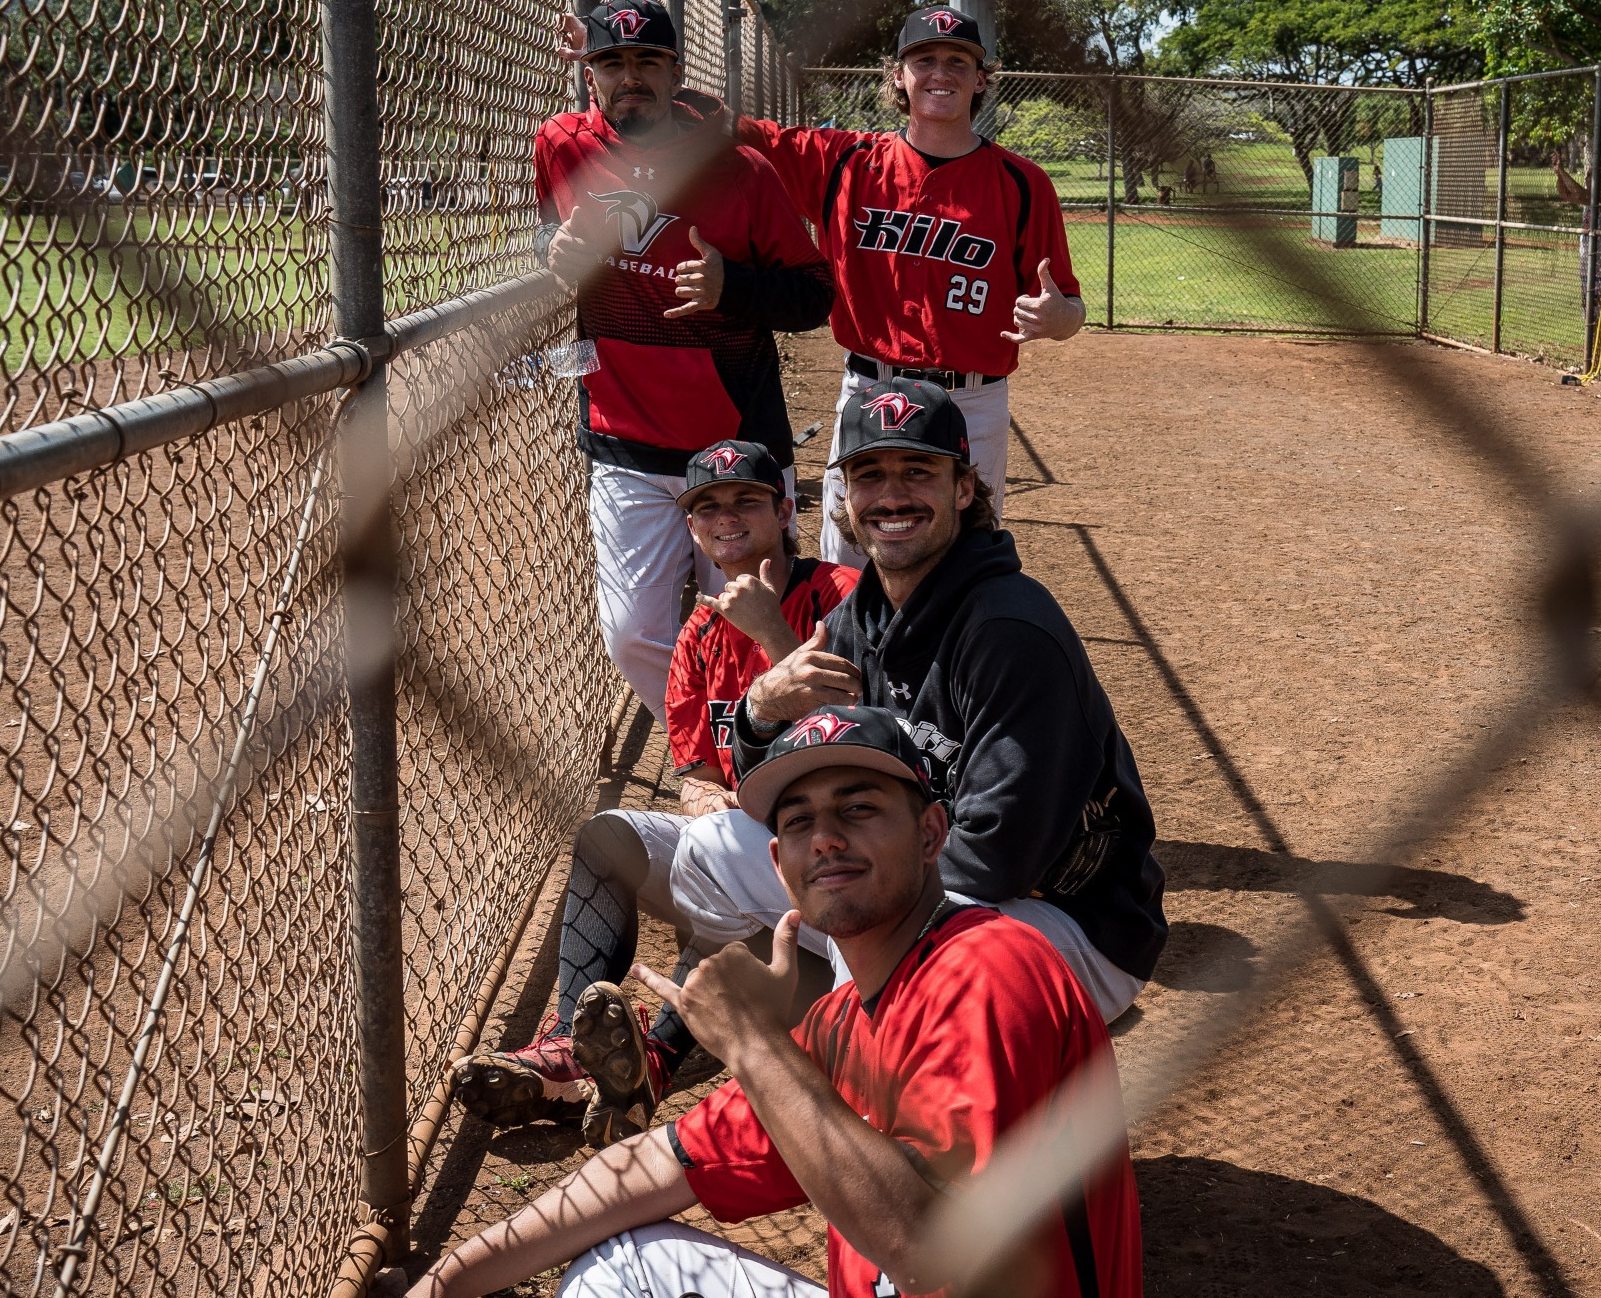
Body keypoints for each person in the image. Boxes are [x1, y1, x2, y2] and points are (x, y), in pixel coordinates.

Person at [407, 705, 1143, 1298]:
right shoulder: (839, 1023)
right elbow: (652, 1167)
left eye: (859, 808)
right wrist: (444, 1284)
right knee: (621, 1265)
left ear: (931, 835)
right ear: (778, 864)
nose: (825, 837)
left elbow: (931, 1247)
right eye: (798, 821)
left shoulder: (988, 969)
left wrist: (754, 1045)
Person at [555, 5, 1087, 568]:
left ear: (981, 79)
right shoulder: (845, 162)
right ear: (898, 77)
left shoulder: (1022, 183)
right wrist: (614, 56)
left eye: (959, 61)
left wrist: (1060, 320)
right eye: (923, 59)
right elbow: (722, 122)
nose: (941, 72)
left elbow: (1069, 305)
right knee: (848, 562)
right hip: (869, 386)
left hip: (972, 398)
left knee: (966, 556)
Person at [707, 378, 1166, 1023]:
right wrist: (761, 710)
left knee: (869, 922)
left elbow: (996, 856)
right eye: (868, 475)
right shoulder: (857, 620)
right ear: (846, 495)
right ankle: (664, 1046)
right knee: (708, 849)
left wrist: (849, 887)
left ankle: (847, 1063)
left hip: (1066, 923)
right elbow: (779, 790)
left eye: (917, 471)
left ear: (964, 488)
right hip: (914, 874)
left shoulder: (1009, 631)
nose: (891, 496)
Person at [449, 441, 858, 1147]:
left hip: (841, 879)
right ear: (692, 528)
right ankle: (571, 1050)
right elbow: (698, 777)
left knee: (719, 850)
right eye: (706, 507)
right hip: (751, 859)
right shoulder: (697, 636)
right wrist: (705, 800)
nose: (725, 517)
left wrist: (770, 630)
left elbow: (856, 727)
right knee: (607, 835)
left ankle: (651, 1059)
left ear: (785, 509)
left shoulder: (841, 593)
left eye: (745, 500)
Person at [537, 0, 834, 725]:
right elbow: (547, 240)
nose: (629, 77)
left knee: (753, 616)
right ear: (589, 76)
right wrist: (553, 255)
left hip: (735, 436)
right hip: (623, 427)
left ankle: (759, 761)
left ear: (675, 72)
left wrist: (734, 285)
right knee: (635, 632)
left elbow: (814, 296)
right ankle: (718, 757)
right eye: (612, 63)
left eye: (647, 62)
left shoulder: (742, 171)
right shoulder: (561, 145)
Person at [1554, 149, 1601, 378]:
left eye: (1588, 179)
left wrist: (1564, 171)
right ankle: (1591, 361)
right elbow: (1566, 194)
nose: (1584, 184)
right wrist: (1558, 173)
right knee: (1589, 317)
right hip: (1587, 267)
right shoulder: (1589, 198)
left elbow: (1583, 195)